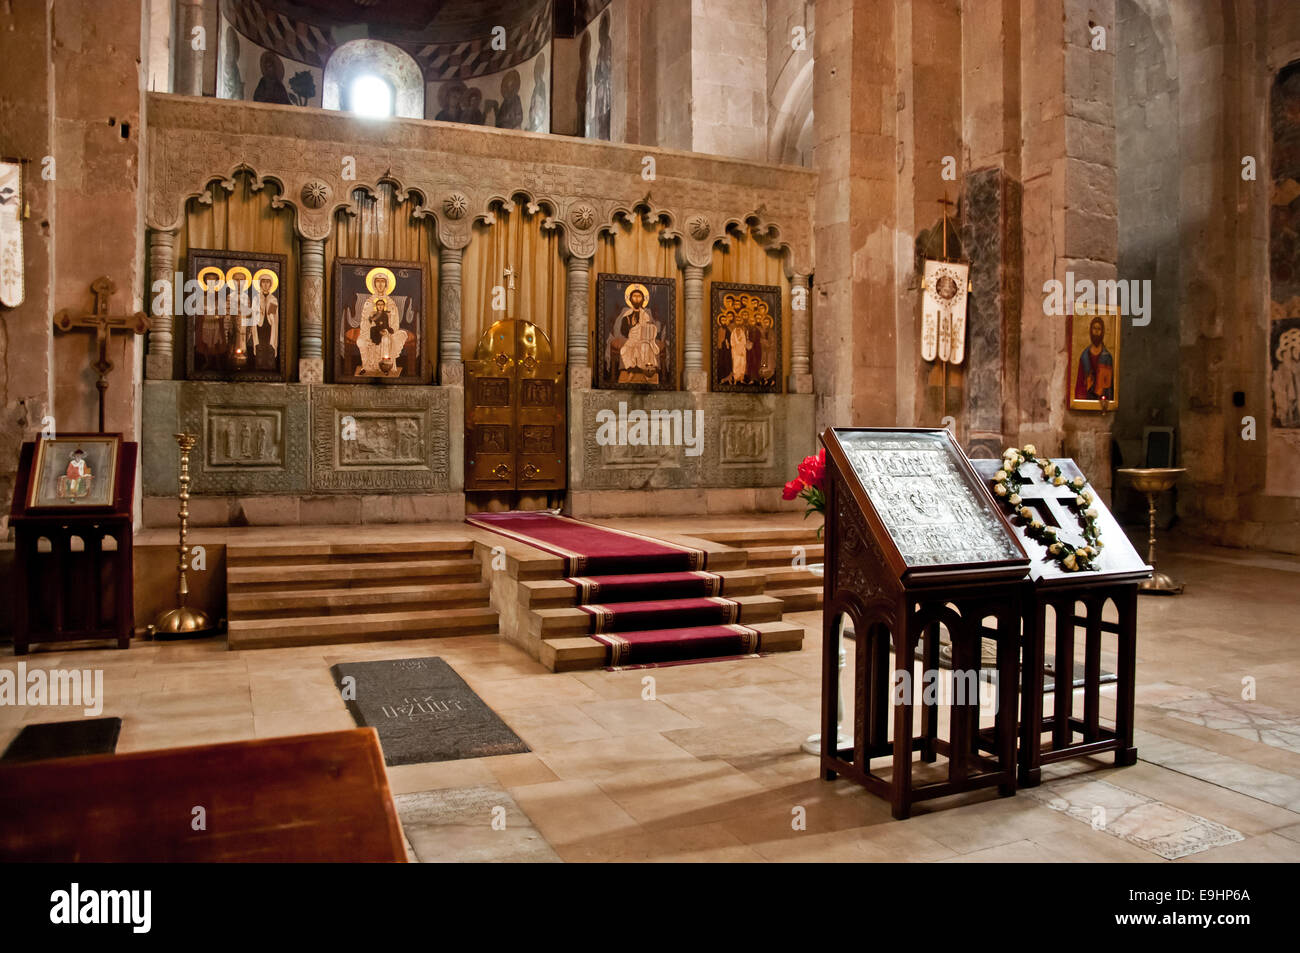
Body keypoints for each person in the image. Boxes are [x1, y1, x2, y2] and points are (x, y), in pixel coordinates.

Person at [1074, 314, 1114, 401]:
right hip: (1087, 398)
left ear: (1102, 332)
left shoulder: (1107, 357)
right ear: (1090, 330)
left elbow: (1110, 387)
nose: (1096, 331)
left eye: (1099, 329)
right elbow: (1079, 384)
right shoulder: (1084, 356)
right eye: (1094, 328)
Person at [620, 308, 662, 383]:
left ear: (642, 298)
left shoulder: (645, 314)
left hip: (643, 339)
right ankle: (631, 371)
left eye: (639, 296)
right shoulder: (627, 315)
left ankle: (646, 372)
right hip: (632, 339)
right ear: (630, 298)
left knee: (644, 348)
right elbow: (623, 331)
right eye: (634, 296)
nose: (636, 298)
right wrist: (631, 327)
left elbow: (649, 327)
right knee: (624, 350)